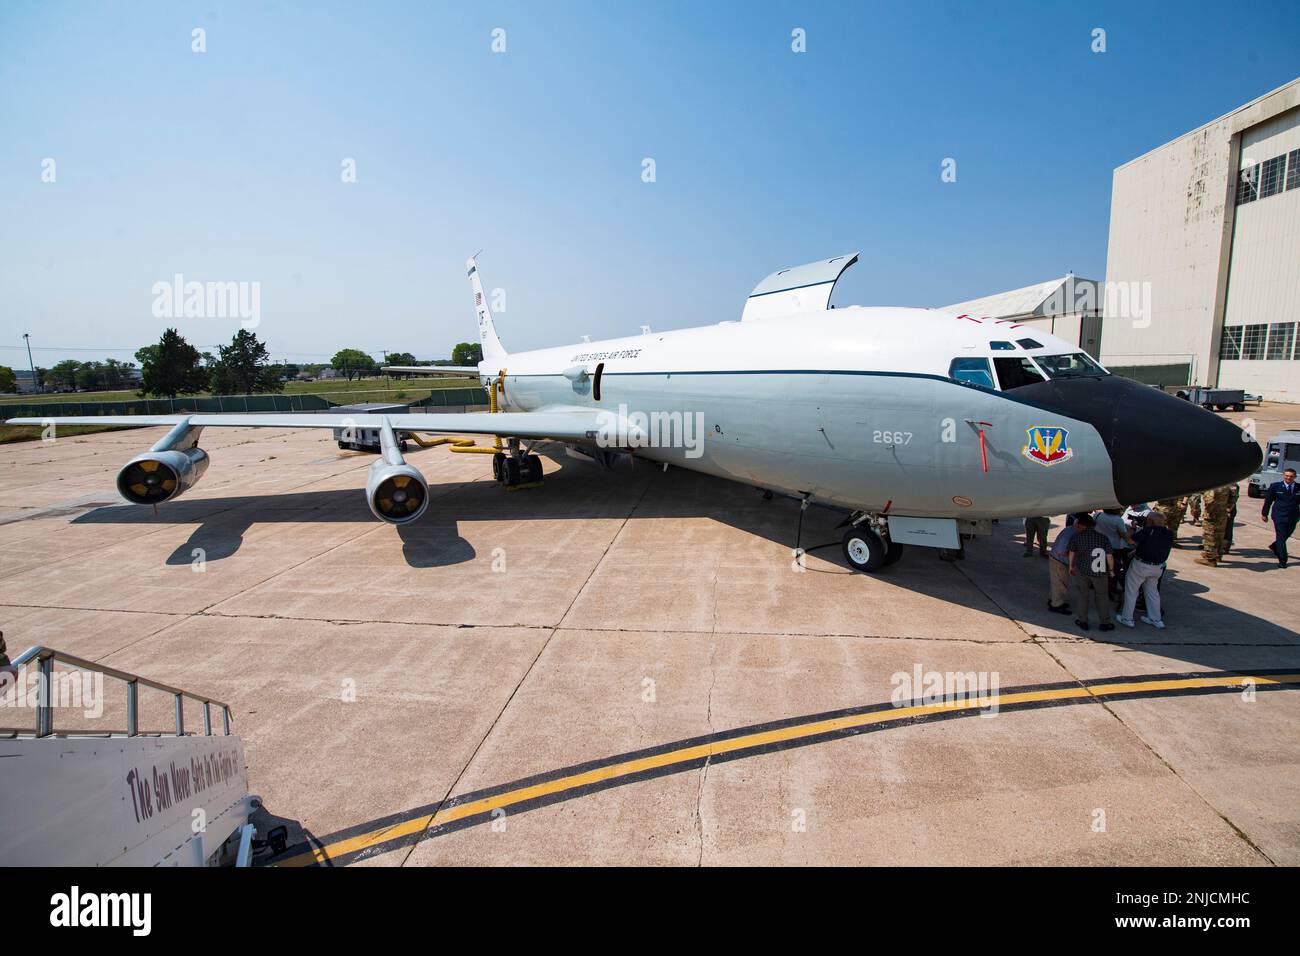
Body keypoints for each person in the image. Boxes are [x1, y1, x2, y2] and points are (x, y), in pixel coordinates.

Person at [1115, 512, 1172, 629]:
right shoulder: (1169, 533)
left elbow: (1130, 541)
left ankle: (1127, 618)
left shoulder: (1147, 531)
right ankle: (1156, 619)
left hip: (1141, 565)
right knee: (1153, 593)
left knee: (1132, 591)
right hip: (1157, 567)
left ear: (1150, 521)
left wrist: (1133, 527)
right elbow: (1154, 546)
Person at [1067, 513, 1114, 631]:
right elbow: (1109, 556)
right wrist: (1111, 570)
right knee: (1102, 597)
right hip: (1100, 571)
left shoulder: (1077, 537)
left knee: (1083, 595)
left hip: (1083, 570)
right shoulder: (1103, 538)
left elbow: (1072, 552)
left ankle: (1083, 621)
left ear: (1081, 525)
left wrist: (1071, 566)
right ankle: (1104, 623)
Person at [1262, 467, 1300, 568]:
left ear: (1295, 477)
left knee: (1285, 536)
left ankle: (1275, 546)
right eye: (1287, 476)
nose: (1289, 478)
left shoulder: (1299, 487)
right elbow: (1268, 501)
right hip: (1279, 516)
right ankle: (1283, 560)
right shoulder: (1275, 487)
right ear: (1283, 475)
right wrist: (1264, 514)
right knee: (1281, 536)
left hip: (1293, 516)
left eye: (1291, 476)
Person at [1093, 507, 1131, 598]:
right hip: (1115, 548)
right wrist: (1132, 529)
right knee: (1113, 570)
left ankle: (1097, 587)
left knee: (1099, 567)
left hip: (1099, 545)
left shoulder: (1097, 515)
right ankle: (1110, 590)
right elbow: (1123, 535)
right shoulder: (1118, 520)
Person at [1046, 517, 1081, 615]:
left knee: (1056, 582)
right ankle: (1056, 605)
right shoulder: (1071, 534)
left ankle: (1053, 600)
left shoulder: (1070, 529)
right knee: (1060, 584)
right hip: (1059, 561)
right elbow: (1061, 551)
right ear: (1079, 525)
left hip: (1056, 559)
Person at [1195, 485, 1232, 567]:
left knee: (1210, 536)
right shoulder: (1227, 484)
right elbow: (1233, 496)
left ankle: (1210, 559)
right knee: (1220, 534)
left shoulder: (1213, 486)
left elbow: (1209, 501)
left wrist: (1209, 511)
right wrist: (1228, 508)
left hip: (1212, 515)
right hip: (1222, 514)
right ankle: (1218, 555)